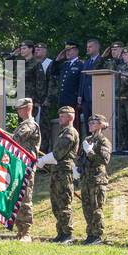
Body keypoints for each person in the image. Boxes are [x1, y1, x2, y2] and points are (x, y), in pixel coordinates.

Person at [44, 105, 79, 244]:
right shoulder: (62, 132)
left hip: (64, 172)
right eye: (60, 116)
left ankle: (67, 234)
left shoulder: (70, 133)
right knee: (56, 203)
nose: (60, 118)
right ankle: (60, 232)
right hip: (57, 171)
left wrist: (43, 160)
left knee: (64, 203)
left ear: (70, 117)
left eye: (63, 116)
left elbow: (58, 153)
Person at [9, 96, 41, 242]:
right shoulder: (22, 125)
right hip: (18, 165)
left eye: (20, 109)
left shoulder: (30, 125)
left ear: (28, 108)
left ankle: (26, 232)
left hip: (26, 166)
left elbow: (16, 139)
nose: (18, 112)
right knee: (17, 198)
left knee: (25, 199)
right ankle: (20, 231)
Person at [78, 114, 112, 244]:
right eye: (89, 121)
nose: (90, 124)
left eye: (94, 122)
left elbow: (104, 160)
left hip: (97, 179)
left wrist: (90, 153)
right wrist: (78, 169)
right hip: (86, 178)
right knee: (86, 208)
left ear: (101, 125)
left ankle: (97, 235)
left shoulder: (103, 141)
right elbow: (81, 158)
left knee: (96, 208)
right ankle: (90, 234)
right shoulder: (87, 140)